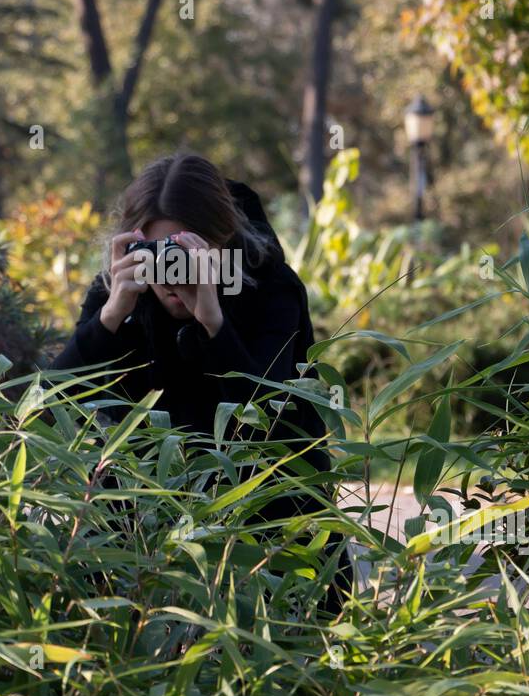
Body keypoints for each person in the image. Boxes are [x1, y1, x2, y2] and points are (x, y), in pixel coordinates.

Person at [51, 153, 331, 506]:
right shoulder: (117, 291)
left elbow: (267, 422)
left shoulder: (270, 288)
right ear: (131, 244)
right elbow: (48, 406)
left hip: (263, 514)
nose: (172, 272)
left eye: (184, 252)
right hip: (144, 521)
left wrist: (215, 324)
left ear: (223, 240)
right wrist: (108, 320)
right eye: (158, 253)